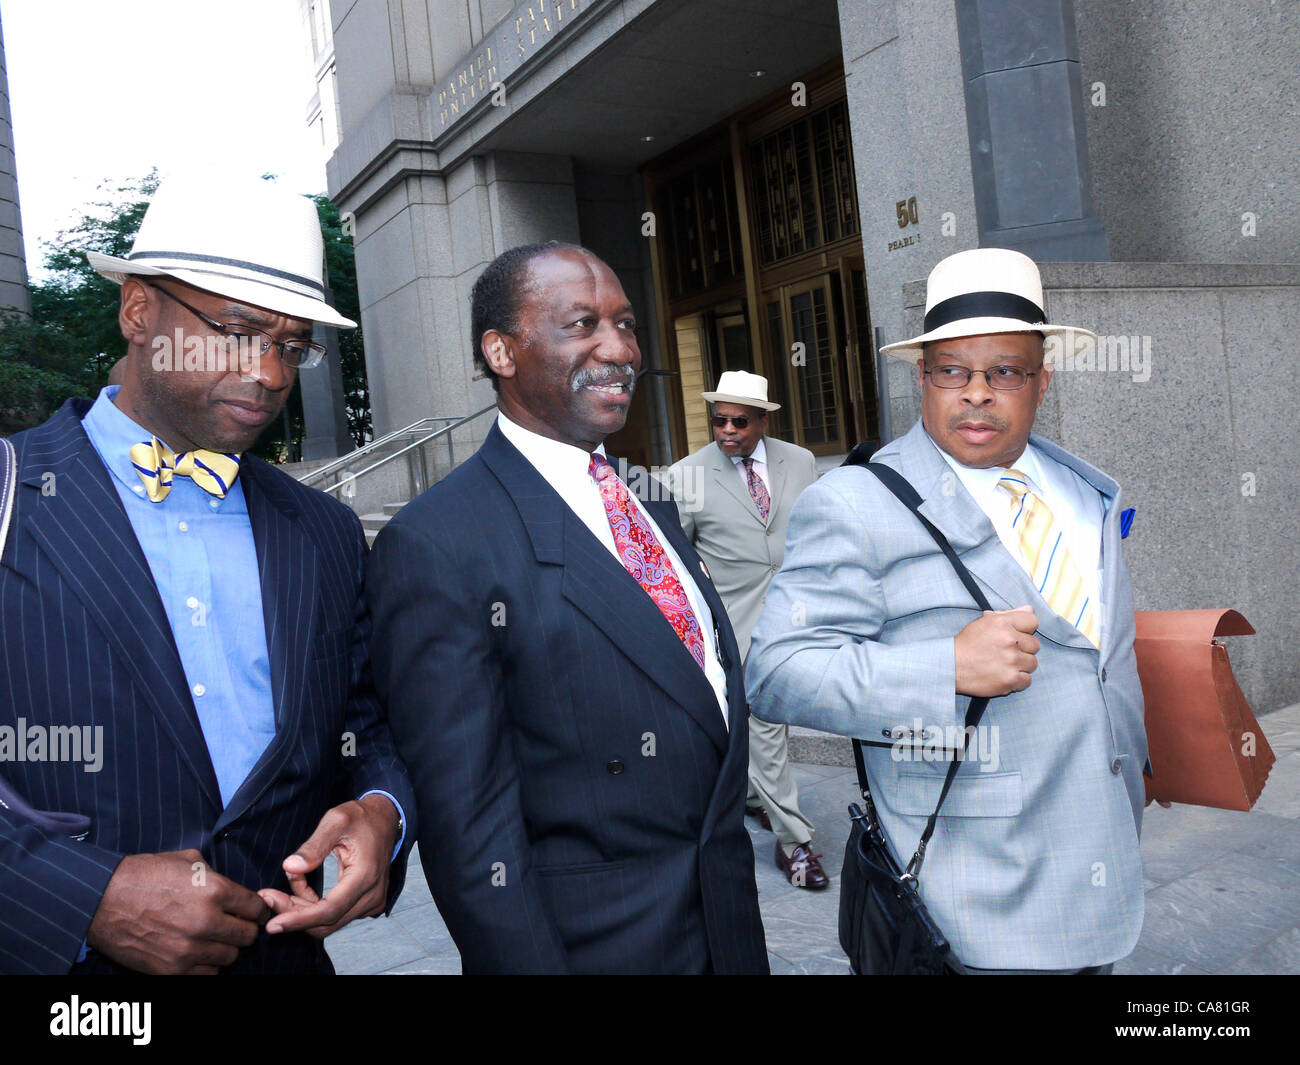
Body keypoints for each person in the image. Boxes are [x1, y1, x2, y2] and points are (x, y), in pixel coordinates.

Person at [0, 176, 416, 975]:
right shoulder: (13, 497)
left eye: (292, 345)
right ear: (137, 311)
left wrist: (381, 810)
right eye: (239, 331)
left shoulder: (324, 532)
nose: (271, 373)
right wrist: (82, 897)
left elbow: (366, 723)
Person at [368, 241, 769, 974]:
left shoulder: (648, 498)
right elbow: (470, 831)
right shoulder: (436, 543)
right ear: (501, 351)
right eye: (583, 324)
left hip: (726, 931)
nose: (619, 350)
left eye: (626, 324)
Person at [747, 248, 1147, 973]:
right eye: (953, 371)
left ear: (1042, 380)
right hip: (972, 903)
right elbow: (776, 672)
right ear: (923, 378)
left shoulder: (1085, 491)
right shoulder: (855, 501)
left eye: (1006, 371)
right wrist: (946, 667)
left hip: (1105, 870)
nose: (978, 394)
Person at [668, 371, 826, 890]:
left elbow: (819, 527)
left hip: (804, 617)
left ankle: (755, 797)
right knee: (764, 724)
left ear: (763, 421)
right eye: (720, 421)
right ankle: (795, 842)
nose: (728, 431)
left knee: (772, 724)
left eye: (740, 421)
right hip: (738, 626)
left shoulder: (800, 461)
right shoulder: (686, 475)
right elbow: (677, 560)